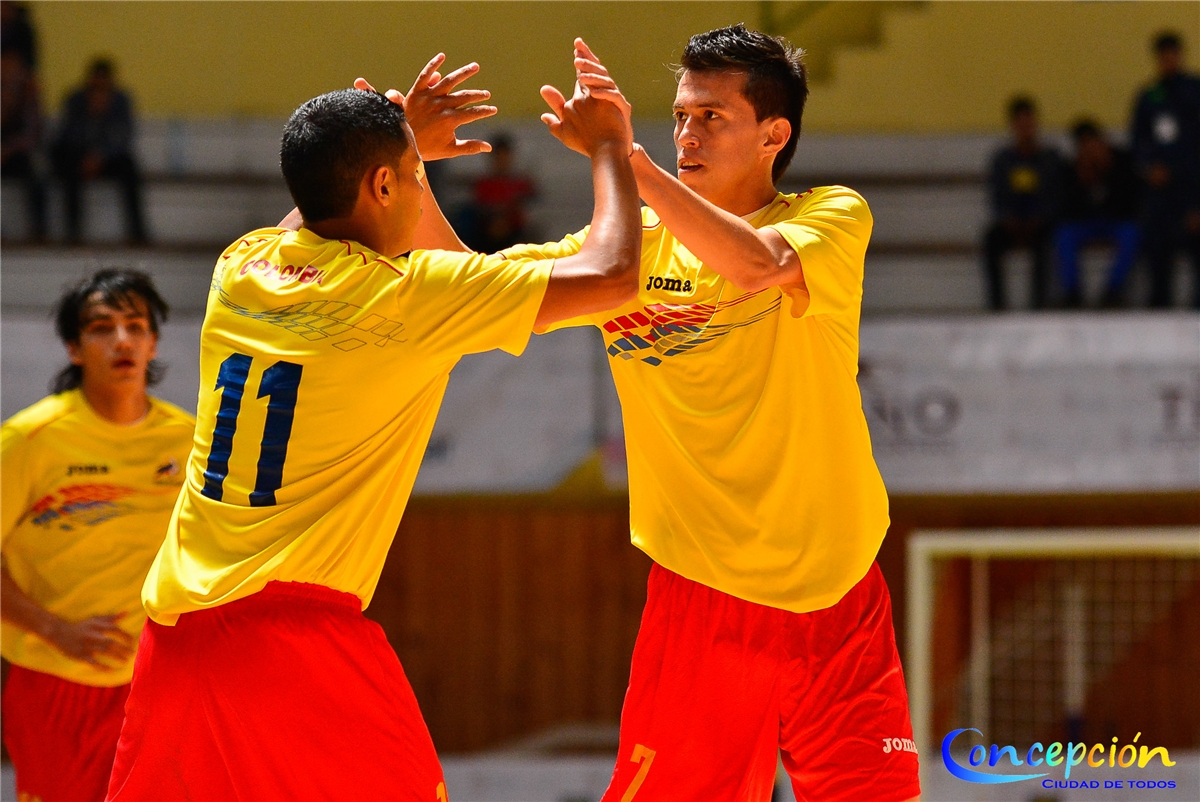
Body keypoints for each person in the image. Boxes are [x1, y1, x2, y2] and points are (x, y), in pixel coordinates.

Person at [104, 46, 640, 800]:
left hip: (177, 640)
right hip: (291, 638)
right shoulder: (407, 297)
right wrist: (613, 145)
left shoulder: (244, 266)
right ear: (384, 184)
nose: (424, 193)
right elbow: (615, 274)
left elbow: (318, 199)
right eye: (418, 181)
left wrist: (402, 144)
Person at [413, 24, 920, 802]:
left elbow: (760, 267)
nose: (686, 131)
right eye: (680, 114)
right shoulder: (626, 249)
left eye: (711, 116)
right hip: (703, 604)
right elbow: (461, 282)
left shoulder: (829, 215)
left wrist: (627, 161)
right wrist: (402, 164)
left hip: (840, 599)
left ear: (773, 134)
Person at [1, 269, 195, 802]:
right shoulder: (29, 439)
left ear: (153, 341)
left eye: (135, 325)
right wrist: (55, 629)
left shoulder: (190, 440)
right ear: (74, 348)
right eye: (101, 328)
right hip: (56, 682)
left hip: (158, 684)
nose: (122, 341)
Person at [1130, 31, 1200, 308]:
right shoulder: (1150, 96)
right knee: (1157, 249)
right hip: (1161, 194)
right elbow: (1138, 143)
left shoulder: (1195, 91)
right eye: (1163, 56)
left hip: (1192, 190)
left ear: (1180, 55)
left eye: (1173, 54)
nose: (1168, 60)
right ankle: (1160, 308)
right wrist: (1149, 168)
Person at [52, 57, 146, 244]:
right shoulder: (75, 100)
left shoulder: (121, 101)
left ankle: (138, 232)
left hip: (108, 158)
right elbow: (67, 135)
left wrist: (101, 155)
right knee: (68, 169)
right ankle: (73, 231)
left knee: (129, 169)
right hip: (79, 157)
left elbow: (124, 137)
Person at [982, 96, 1064, 310]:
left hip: (1040, 224)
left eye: (1029, 123)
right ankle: (997, 306)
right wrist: (1008, 219)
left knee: (1046, 242)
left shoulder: (1049, 158)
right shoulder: (1002, 160)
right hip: (1011, 223)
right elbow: (996, 195)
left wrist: (1040, 218)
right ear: (1013, 126)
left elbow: (1055, 196)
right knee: (991, 239)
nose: (1026, 129)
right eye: (1021, 124)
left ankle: (1039, 305)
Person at [1054, 119, 1140, 308]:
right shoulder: (1072, 168)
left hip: (1115, 222)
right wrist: (1083, 181)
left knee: (1131, 233)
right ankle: (1073, 292)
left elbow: (1130, 205)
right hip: (1086, 224)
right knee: (1065, 234)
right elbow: (1066, 211)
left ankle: (1113, 290)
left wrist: (1107, 170)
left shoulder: (1122, 161)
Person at [1, 45, 47, 241]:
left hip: (16, 153)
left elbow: (33, 134)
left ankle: (39, 228)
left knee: (37, 171)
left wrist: (7, 149)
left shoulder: (29, 94)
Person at [466, 133, 538, 251]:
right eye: (498, 157)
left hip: (514, 235)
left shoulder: (521, 183)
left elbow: (529, 204)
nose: (502, 161)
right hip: (485, 234)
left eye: (504, 156)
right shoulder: (483, 184)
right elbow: (479, 209)